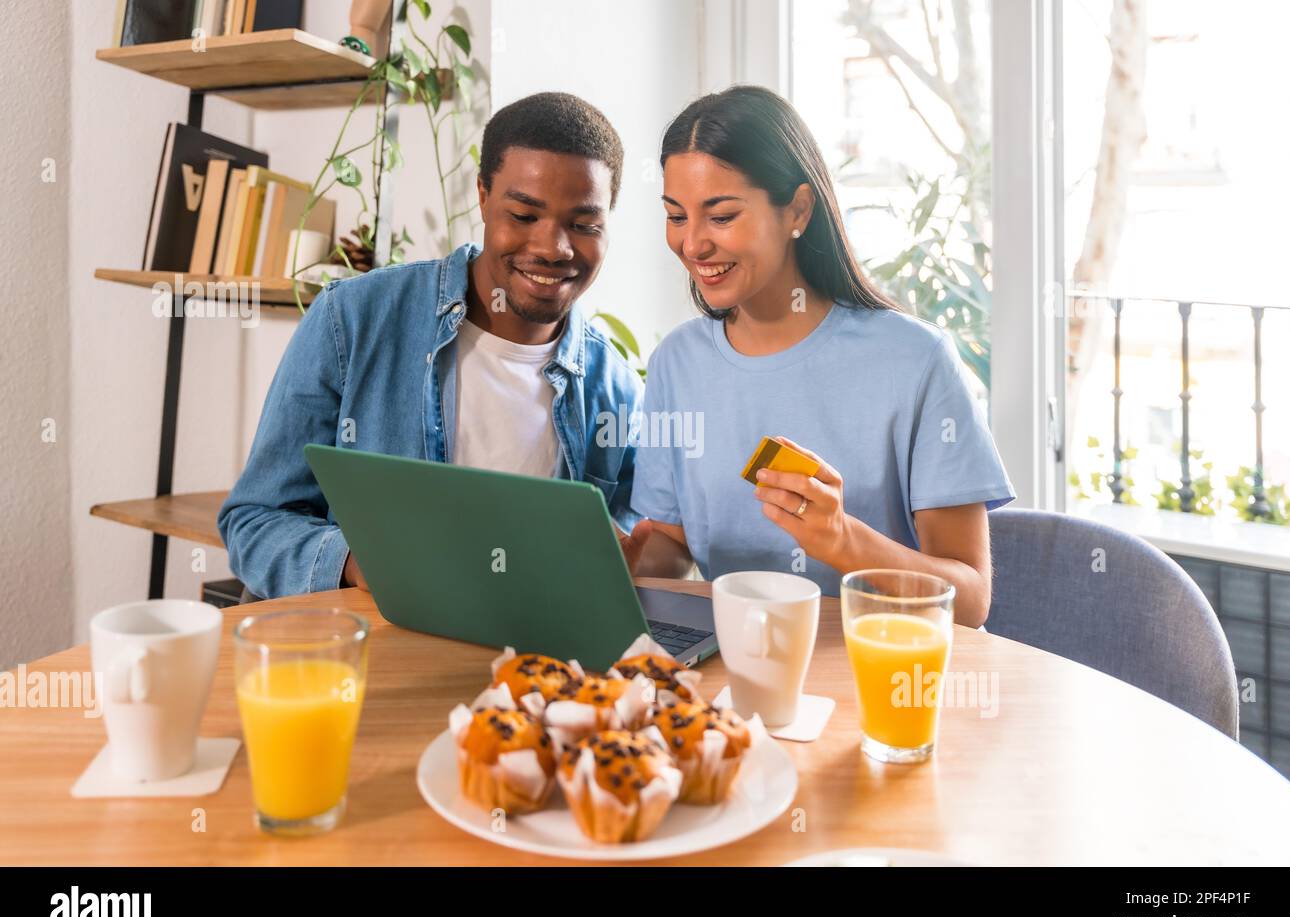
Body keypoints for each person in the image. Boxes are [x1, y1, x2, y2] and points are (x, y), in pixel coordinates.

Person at [220, 92, 649, 599]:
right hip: (369, 655)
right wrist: (362, 566)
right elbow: (255, 521)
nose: (552, 248)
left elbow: (619, 557)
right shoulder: (353, 319)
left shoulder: (615, 387)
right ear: (483, 196)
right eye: (524, 215)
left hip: (518, 665)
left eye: (584, 225)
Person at [628, 86, 1015, 628]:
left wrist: (841, 537)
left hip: (874, 673)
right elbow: (674, 543)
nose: (692, 245)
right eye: (675, 216)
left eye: (721, 217)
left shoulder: (915, 361)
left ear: (798, 210)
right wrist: (624, 563)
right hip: (733, 673)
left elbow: (970, 602)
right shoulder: (677, 362)